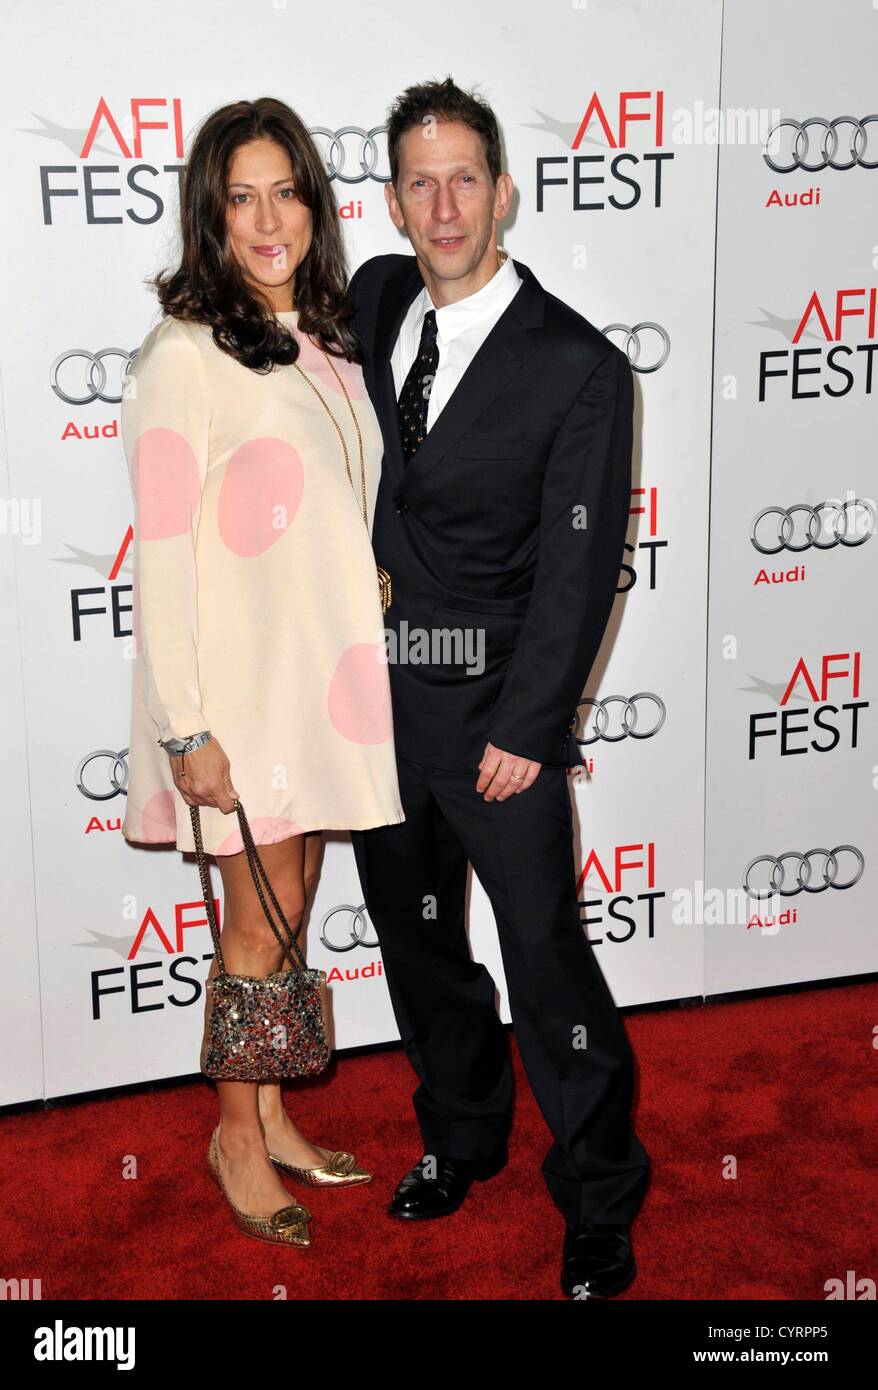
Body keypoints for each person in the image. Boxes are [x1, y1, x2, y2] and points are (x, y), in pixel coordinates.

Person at [348, 77, 650, 1297]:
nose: (444, 202)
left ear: (505, 188)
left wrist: (533, 726)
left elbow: (584, 570)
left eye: (466, 175)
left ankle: (599, 1194)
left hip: (498, 717)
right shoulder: (373, 299)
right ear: (394, 201)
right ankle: (462, 1135)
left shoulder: (577, 364)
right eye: (420, 181)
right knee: (421, 949)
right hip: (377, 709)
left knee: (544, 958)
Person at [120, 97, 404, 1248]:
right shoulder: (182, 352)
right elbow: (166, 557)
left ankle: (273, 1112)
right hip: (238, 696)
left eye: (286, 188)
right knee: (255, 924)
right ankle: (235, 1134)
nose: (268, 217)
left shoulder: (328, 340)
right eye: (241, 196)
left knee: (286, 909)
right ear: (210, 213)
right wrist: (188, 729)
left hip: (314, 684)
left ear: (314, 204)